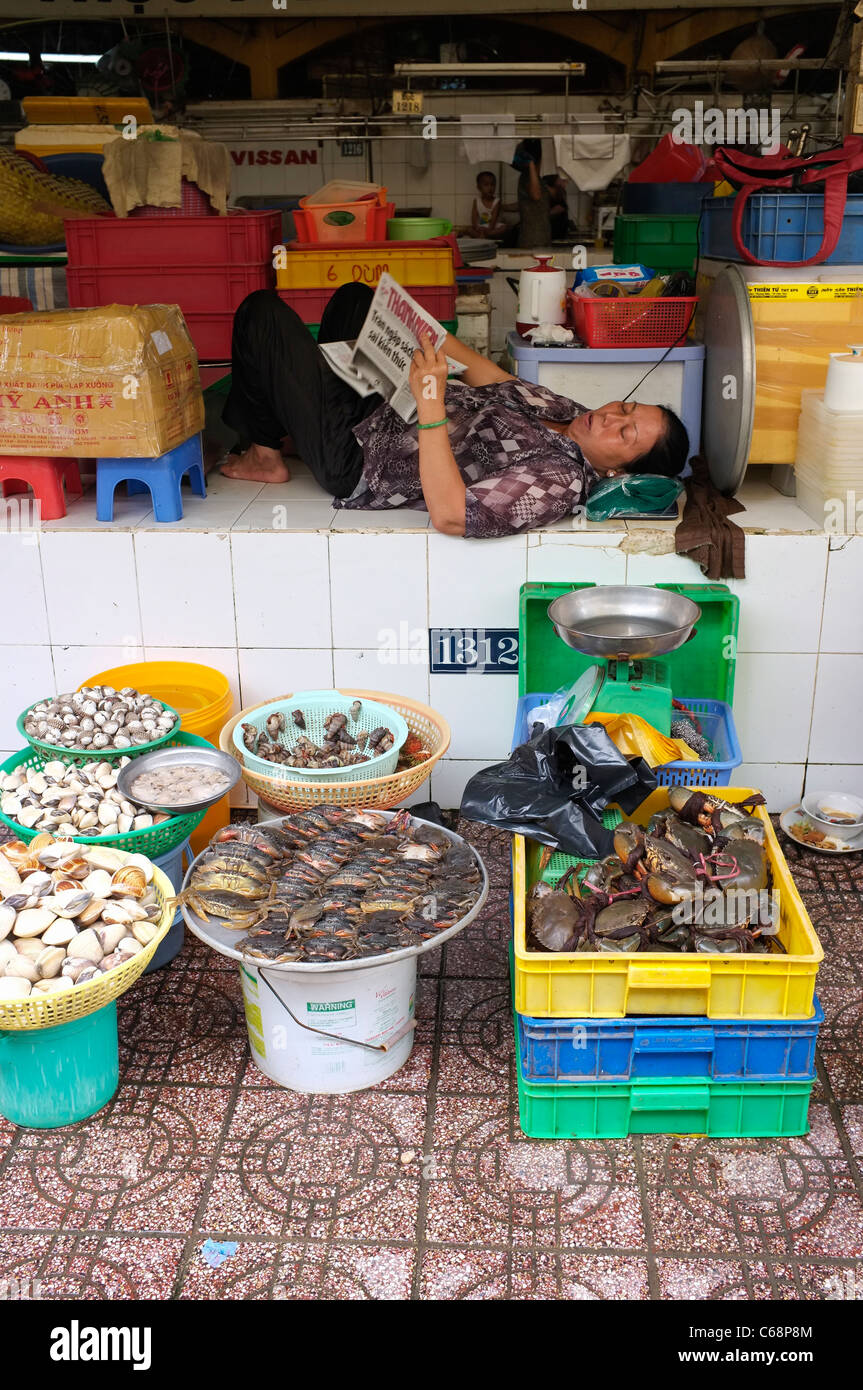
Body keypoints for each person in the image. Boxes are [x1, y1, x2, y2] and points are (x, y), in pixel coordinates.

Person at [221, 283, 689, 539]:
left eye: (625, 434)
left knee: (261, 314)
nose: (610, 418)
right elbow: (485, 372)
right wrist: (413, 327)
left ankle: (266, 453)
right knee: (356, 300)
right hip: (384, 405)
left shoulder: (560, 480)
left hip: (363, 459)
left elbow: (451, 516)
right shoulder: (570, 412)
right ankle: (299, 409)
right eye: (624, 407)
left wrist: (429, 403)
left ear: (618, 473)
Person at [514, 138, 552, 248]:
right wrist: (531, 164)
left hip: (542, 237)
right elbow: (536, 196)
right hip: (532, 240)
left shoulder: (539, 177)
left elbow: (532, 202)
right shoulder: (528, 176)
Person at [470, 170, 506, 239]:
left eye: (492, 185)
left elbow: (493, 220)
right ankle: (482, 236)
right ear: (479, 187)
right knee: (469, 229)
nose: (490, 188)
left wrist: (489, 230)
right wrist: (477, 227)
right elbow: (474, 218)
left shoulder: (496, 201)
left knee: (504, 228)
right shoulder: (476, 201)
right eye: (486, 185)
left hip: (492, 227)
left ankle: (484, 236)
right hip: (481, 226)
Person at [543, 173, 571, 240]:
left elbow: (560, 209)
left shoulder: (561, 193)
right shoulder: (545, 192)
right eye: (563, 180)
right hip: (550, 234)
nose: (566, 182)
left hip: (559, 234)